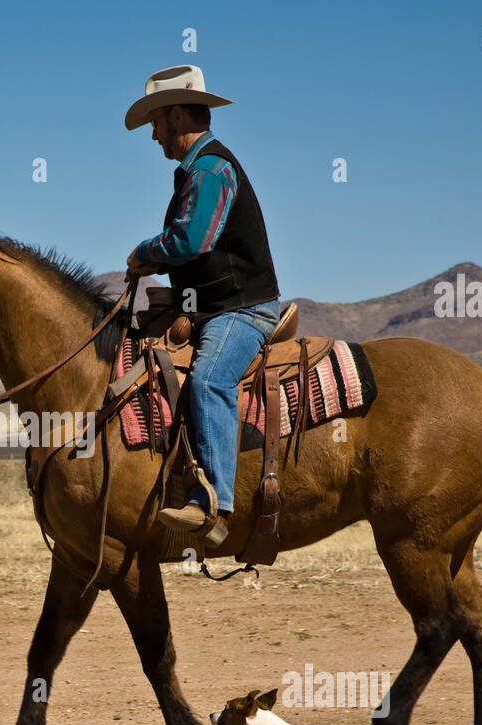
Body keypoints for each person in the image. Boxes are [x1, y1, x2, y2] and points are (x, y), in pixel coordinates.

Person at [124, 65, 281, 545]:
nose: (153, 136)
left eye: (155, 123)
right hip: (213, 306)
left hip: (241, 309)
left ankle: (215, 506)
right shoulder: (195, 171)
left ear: (175, 116)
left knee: (210, 379)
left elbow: (193, 239)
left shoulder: (212, 168)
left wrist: (145, 253)